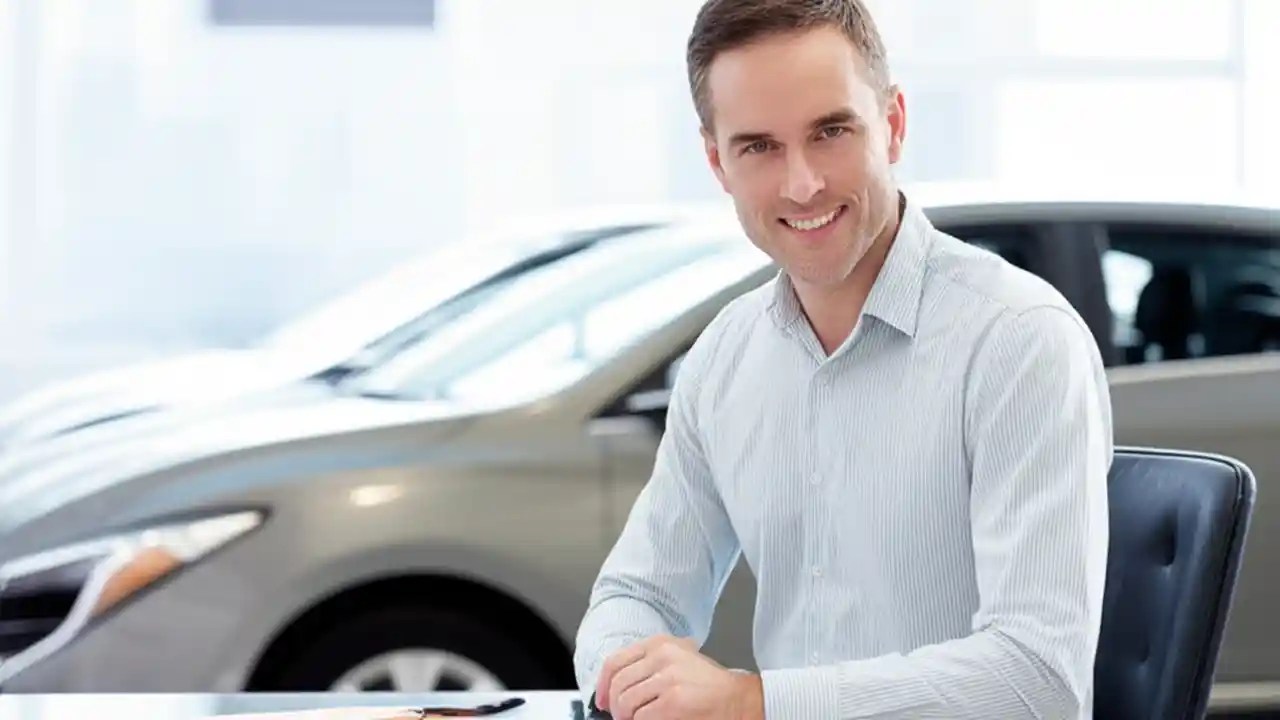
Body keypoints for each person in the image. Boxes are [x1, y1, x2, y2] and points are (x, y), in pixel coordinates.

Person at [573, 0, 1114, 718]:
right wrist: (634, 676)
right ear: (717, 163)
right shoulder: (724, 359)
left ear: (892, 125)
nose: (801, 184)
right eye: (758, 147)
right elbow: (634, 597)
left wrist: (753, 704)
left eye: (831, 132)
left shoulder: (1019, 339)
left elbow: (1037, 679)